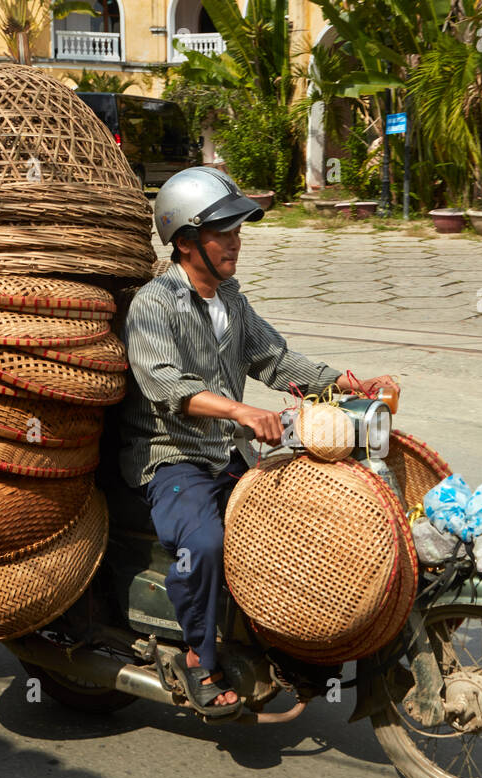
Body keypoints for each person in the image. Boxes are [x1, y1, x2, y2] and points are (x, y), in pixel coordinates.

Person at [117, 166, 397, 717]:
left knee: (303, 521)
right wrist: (241, 409)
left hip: (229, 455)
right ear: (185, 240)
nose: (235, 243)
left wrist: (343, 381)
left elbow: (274, 359)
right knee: (205, 545)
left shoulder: (232, 302)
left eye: (238, 231)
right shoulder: (154, 304)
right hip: (172, 459)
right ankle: (199, 661)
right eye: (223, 232)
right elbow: (164, 384)